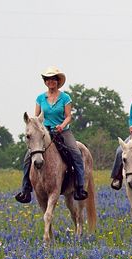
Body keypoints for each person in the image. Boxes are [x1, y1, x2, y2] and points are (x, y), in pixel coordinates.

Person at [15, 66, 88, 203]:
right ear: (45, 82)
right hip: (45, 132)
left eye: (53, 79)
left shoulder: (65, 97)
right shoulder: (40, 98)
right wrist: (35, 127)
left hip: (62, 130)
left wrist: (62, 125)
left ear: (57, 81)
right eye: (48, 79)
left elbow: (68, 116)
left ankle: (79, 187)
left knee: (76, 153)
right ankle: (25, 190)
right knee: (27, 158)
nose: (51, 81)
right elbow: (36, 117)